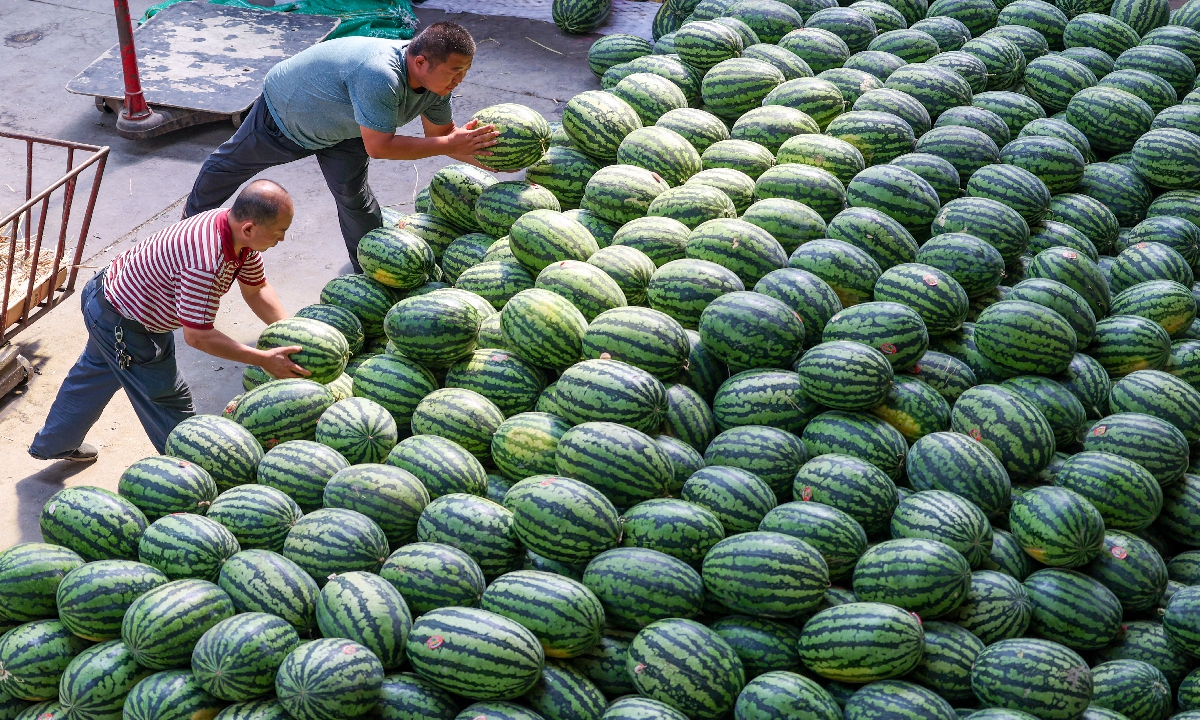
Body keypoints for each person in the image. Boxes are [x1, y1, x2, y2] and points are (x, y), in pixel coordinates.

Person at [29, 180, 307, 462]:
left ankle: (54, 444)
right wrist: (263, 359)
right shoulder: (206, 260)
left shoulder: (234, 229)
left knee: (95, 375)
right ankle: (195, 470)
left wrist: (294, 332)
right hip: (125, 322)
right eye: (279, 232)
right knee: (168, 400)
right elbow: (198, 336)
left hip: (107, 297)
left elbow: (257, 289)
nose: (283, 238)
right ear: (249, 228)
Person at [183, 21, 499, 269]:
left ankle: (372, 270)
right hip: (290, 113)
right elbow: (381, 147)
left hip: (348, 128)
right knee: (229, 166)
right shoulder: (381, 75)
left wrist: (495, 160)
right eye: (455, 71)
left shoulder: (437, 87)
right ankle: (186, 235)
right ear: (420, 61)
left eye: (465, 71)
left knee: (353, 197)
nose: (460, 79)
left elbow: (443, 136)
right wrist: (448, 143)